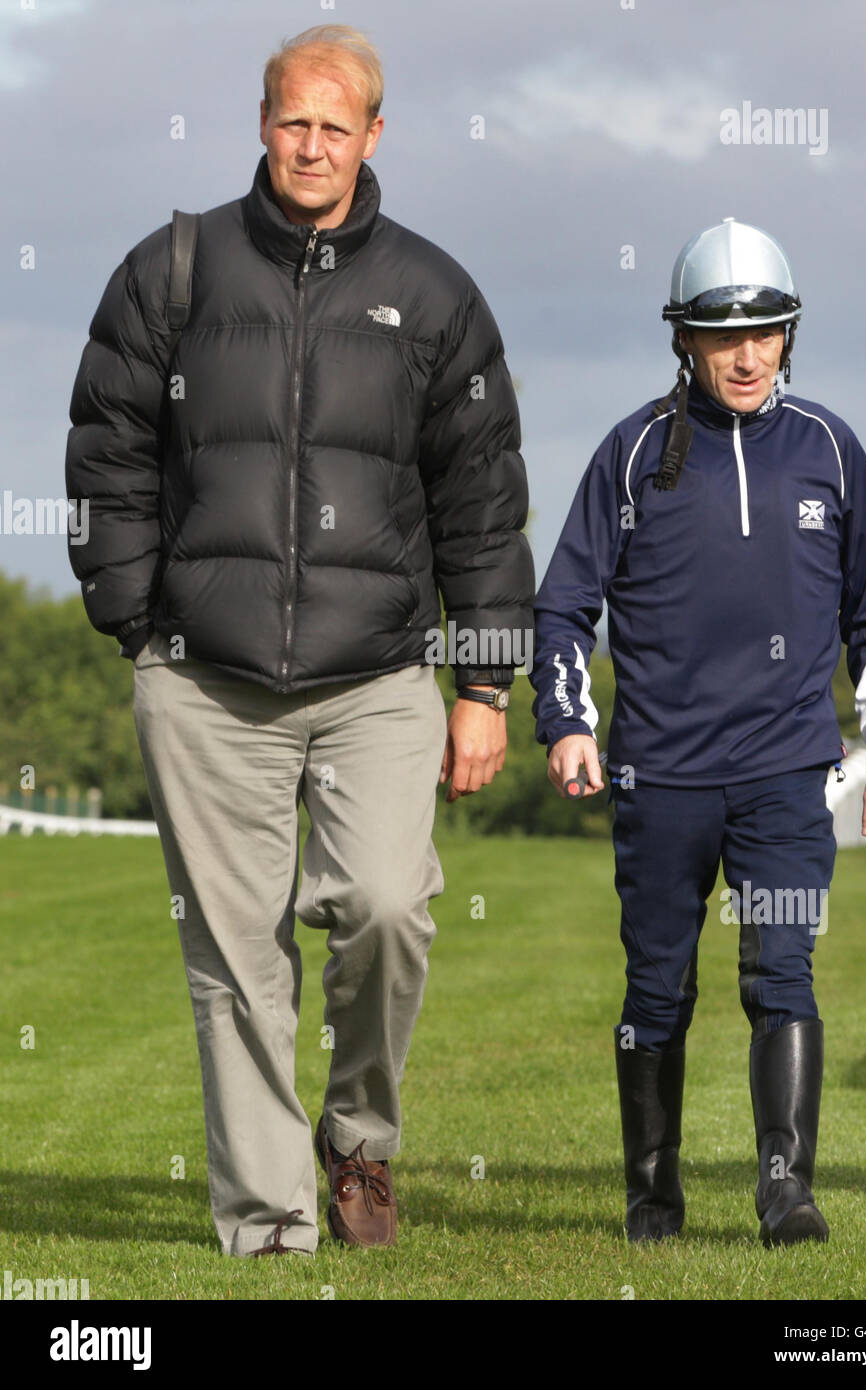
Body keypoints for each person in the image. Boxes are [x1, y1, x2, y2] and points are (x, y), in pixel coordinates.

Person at [65, 25, 533, 1255]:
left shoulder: (434, 294)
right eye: (292, 122)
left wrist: (484, 682)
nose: (311, 146)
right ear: (261, 124)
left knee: (385, 905)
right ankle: (269, 1221)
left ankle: (358, 1142)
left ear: (374, 135)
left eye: (335, 126)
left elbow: (483, 498)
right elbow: (107, 448)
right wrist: (135, 616)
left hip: (378, 676)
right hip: (204, 679)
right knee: (235, 959)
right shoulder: (171, 272)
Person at [530, 218, 866, 1246]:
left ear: (788, 335)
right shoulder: (628, 455)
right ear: (683, 340)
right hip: (659, 777)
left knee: (781, 973)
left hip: (786, 774)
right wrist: (565, 721)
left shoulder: (830, 450)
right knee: (657, 987)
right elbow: (562, 605)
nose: (746, 356)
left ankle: (785, 1194)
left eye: (764, 332)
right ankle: (651, 1200)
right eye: (722, 336)